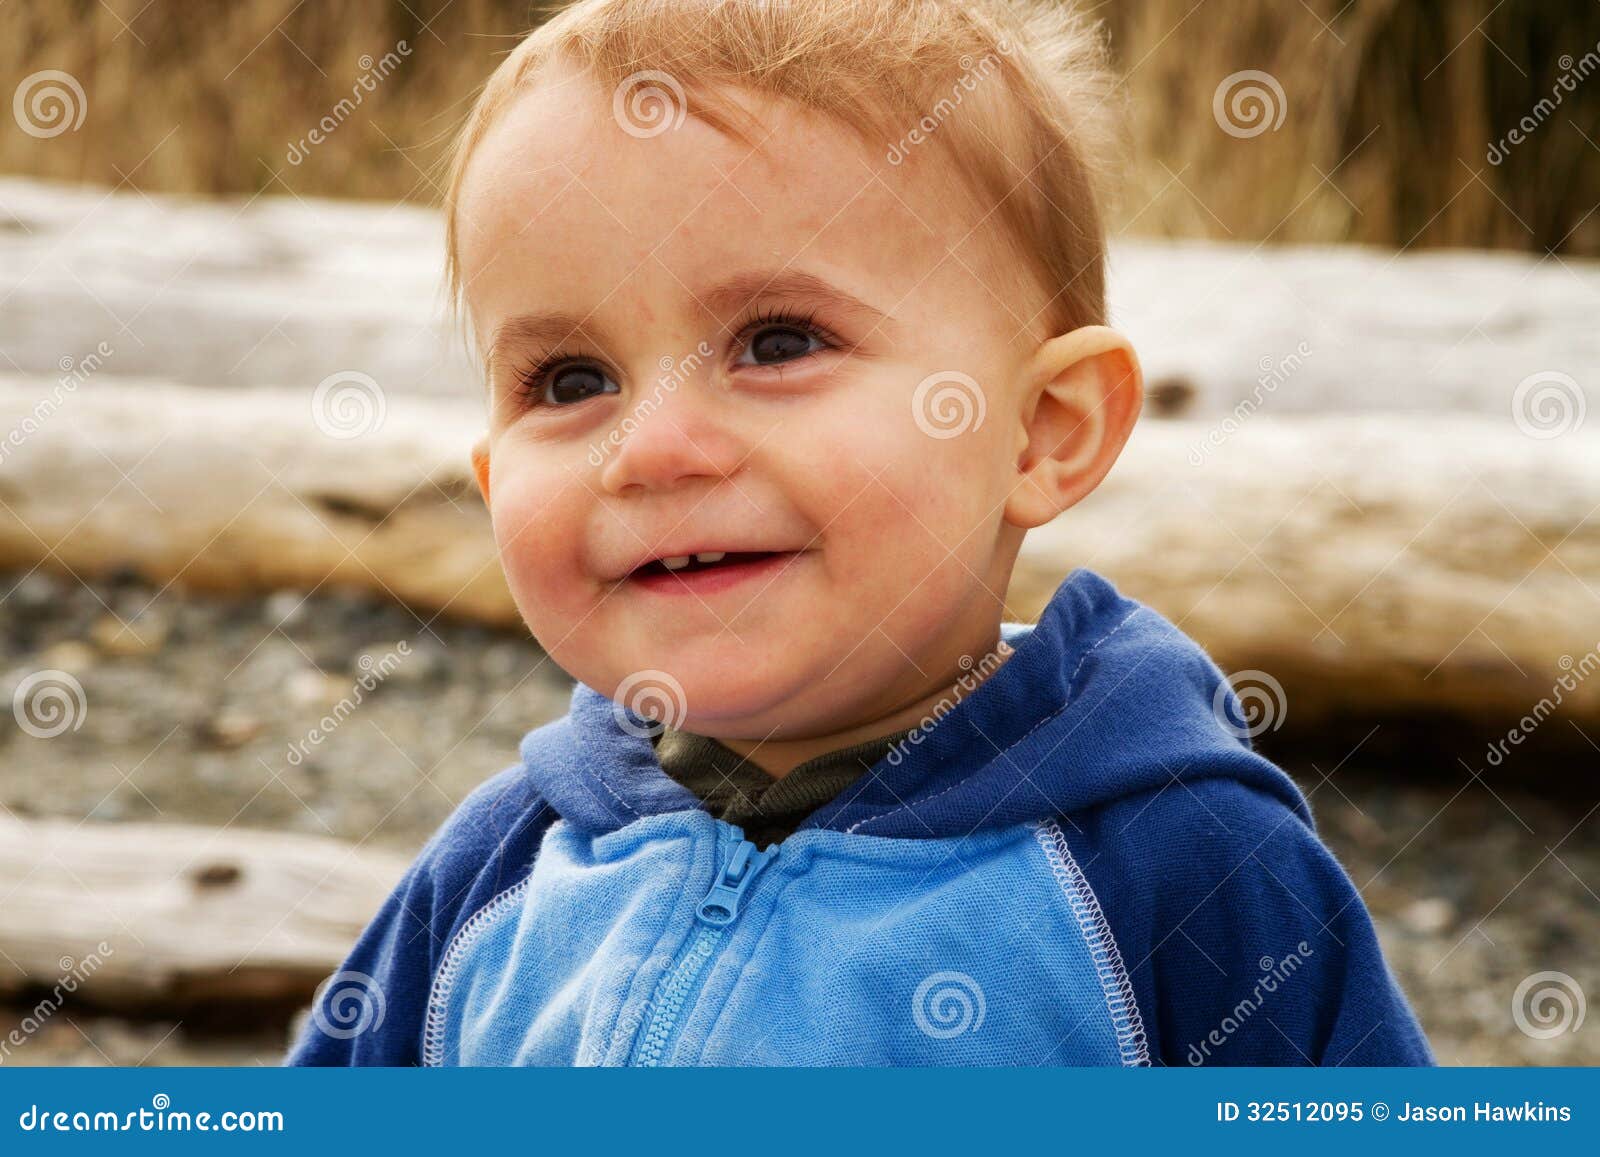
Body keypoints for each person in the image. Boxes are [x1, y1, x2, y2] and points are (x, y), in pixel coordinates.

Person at [287, 0, 1431, 1067]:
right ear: (489, 478)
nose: (651, 447)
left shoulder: (1177, 874)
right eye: (568, 377)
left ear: (1042, 430)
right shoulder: (497, 874)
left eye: (777, 344)